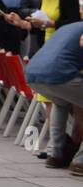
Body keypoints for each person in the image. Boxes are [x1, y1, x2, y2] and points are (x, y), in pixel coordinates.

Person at [2, 0, 81, 163]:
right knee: (56, 102)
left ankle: (59, 147)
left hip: (64, 50)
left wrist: (49, 23)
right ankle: (61, 148)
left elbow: (72, 24)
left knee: (59, 102)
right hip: (49, 48)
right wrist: (25, 24)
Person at [22, 21, 83, 175]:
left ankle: (54, 154)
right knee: (63, 96)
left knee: (60, 102)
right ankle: (80, 161)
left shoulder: (69, 27)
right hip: (60, 74)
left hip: (33, 74)